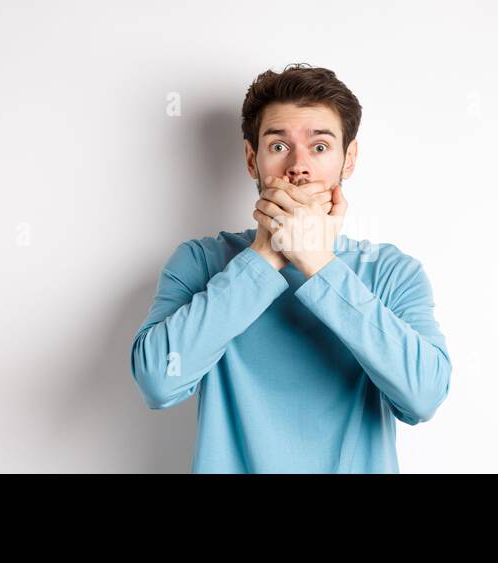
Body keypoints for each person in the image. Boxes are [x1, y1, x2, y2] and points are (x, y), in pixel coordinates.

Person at [130, 63, 451, 473]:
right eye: (279, 146)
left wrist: (317, 261)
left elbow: (423, 397)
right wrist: (265, 256)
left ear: (347, 160)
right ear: (252, 160)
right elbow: (158, 382)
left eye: (319, 147)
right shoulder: (200, 262)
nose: (298, 167)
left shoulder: (391, 272)